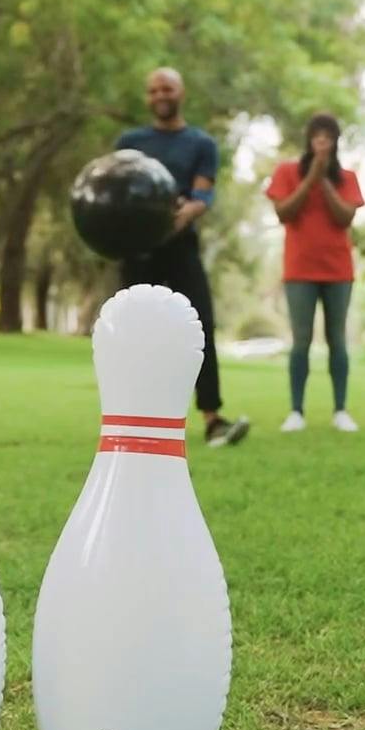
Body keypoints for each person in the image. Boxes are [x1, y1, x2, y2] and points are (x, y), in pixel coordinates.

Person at [116, 68, 249, 448]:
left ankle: (212, 420)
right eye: (154, 89)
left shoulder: (200, 144)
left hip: (180, 247)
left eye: (167, 88)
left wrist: (174, 220)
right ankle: (131, 421)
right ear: (147, 97)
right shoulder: (130, 142)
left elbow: (201, 198)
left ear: (181, 93)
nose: (160, 94)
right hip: (136, 251)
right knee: (133, 331)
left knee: (200, 325)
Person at [266, 114, 363, 434]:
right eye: (316, 136)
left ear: (336, 142)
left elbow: (345, 217)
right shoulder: (286, 172)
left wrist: (324, 180)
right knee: (301, 340)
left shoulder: (346, 177)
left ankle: (341, 409)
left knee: (337, 339)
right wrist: (310, 178)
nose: (322, 141)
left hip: (338, 270)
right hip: (299, 270)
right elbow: (284, 212)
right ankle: (296, 411)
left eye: (328, 136)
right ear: (308, 140)